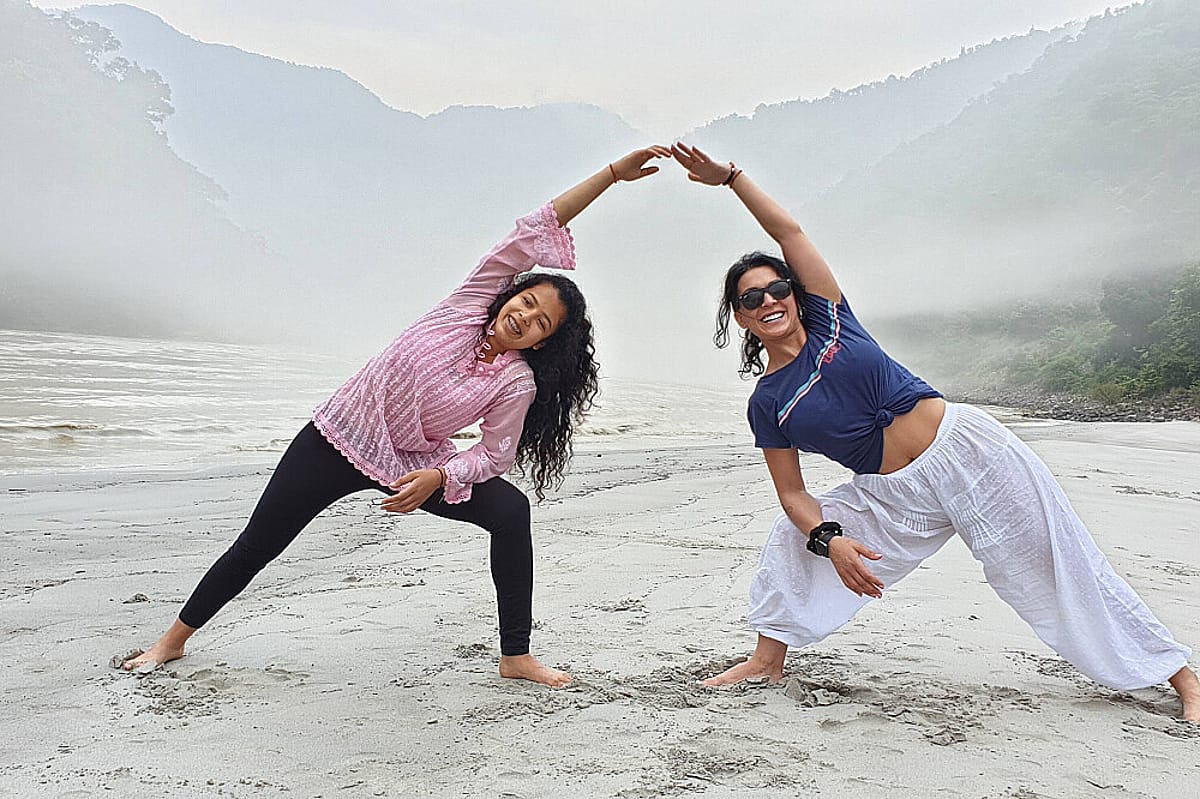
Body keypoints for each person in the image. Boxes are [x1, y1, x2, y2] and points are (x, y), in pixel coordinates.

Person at [669, 142, 1200, 720]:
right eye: (751, 298)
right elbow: (794, 494)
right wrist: (832, 540)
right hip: (896, 496)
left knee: (1058, 562)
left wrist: (732, 179)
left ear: (794, 294)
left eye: (777, 289)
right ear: (740, 317)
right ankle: (767, 660)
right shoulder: (768, 402)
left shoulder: (831, 321)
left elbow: (789, 230)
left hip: (971, 454)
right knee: (793, 541)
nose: (769, 300)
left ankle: (1179, 675)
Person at [119, 146, 673, 688]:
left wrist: (441, 476)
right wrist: (609, 176)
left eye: (542, 324)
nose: (525, 318)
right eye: (527, 303)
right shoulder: (468, 304)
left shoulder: (514, 380)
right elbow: (533, 228)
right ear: (512, 295)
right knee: (260, 541)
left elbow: (494, 453)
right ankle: (172, 641)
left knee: (512, 512)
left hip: (413, 466)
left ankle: (516, 654)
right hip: (337, 436)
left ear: (544, 343)